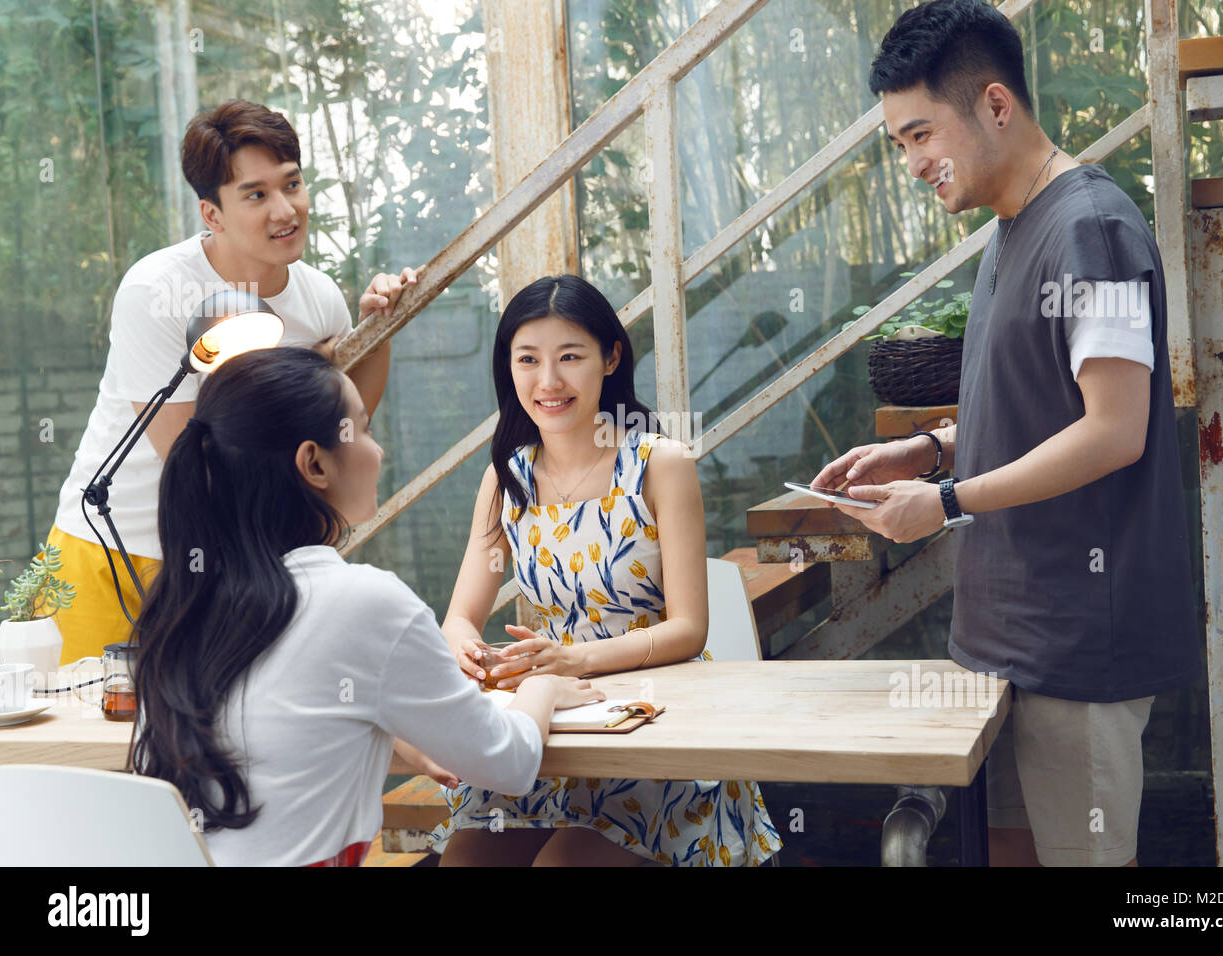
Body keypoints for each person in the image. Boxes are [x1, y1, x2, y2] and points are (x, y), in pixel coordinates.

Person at [815, 0, 1200, 867]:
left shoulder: (1090, 228)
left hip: (1078, 643)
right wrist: (930, 451)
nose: (912, 162)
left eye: (921, 135)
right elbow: (1032, 402)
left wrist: (945, 500)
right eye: (898, 145)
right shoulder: (1008, 227)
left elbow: (1114, 432)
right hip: (1003, 641)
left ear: (996, 105)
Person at [126, 346, 605, 866]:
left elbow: (286, 725)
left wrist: (403, 739)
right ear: (313, 463)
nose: (380, 452)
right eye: (364, 429)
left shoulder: (180, 606)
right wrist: (542, 687)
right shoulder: (364, 602)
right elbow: (509, 762)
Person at [426, 274, 783, 866]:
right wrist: (470, 651)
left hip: (654, 719)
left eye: (570, 357)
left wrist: (572, 660)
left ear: (611, 357)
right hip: (553, 721)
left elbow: (690, 630)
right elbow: (460, 616)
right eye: (528, 360)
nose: (548, 381)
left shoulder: (658, 462)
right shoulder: (506, 478)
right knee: (466, 860)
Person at [45, 99, 417, 666]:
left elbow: (343, 424)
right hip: (115, 548)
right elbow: (188, 456)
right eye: (256, 194)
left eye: (291, 184)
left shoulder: (317, 298)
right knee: (83, 741)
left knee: (212, 741)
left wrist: (375, 330)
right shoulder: (157, 290)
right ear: (211, 214)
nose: (285, 209)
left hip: (232, 556)